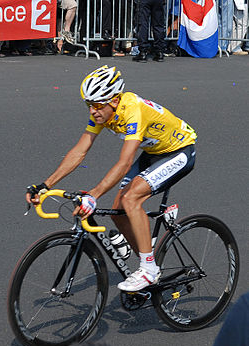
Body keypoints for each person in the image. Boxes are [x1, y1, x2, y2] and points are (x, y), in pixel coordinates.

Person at [26, 65, 197, 292]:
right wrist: (45, 185)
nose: (93, 111)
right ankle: (149, 260)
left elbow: (125, 162)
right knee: (118, 211)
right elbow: (80, 151)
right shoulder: (101, 113)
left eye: (97, 105)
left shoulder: (132, 110)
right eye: (89, 105)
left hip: (180, 151)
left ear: (114, 101)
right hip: (154, 152)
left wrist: (93, 195)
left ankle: (149, 270)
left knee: (131, 199)